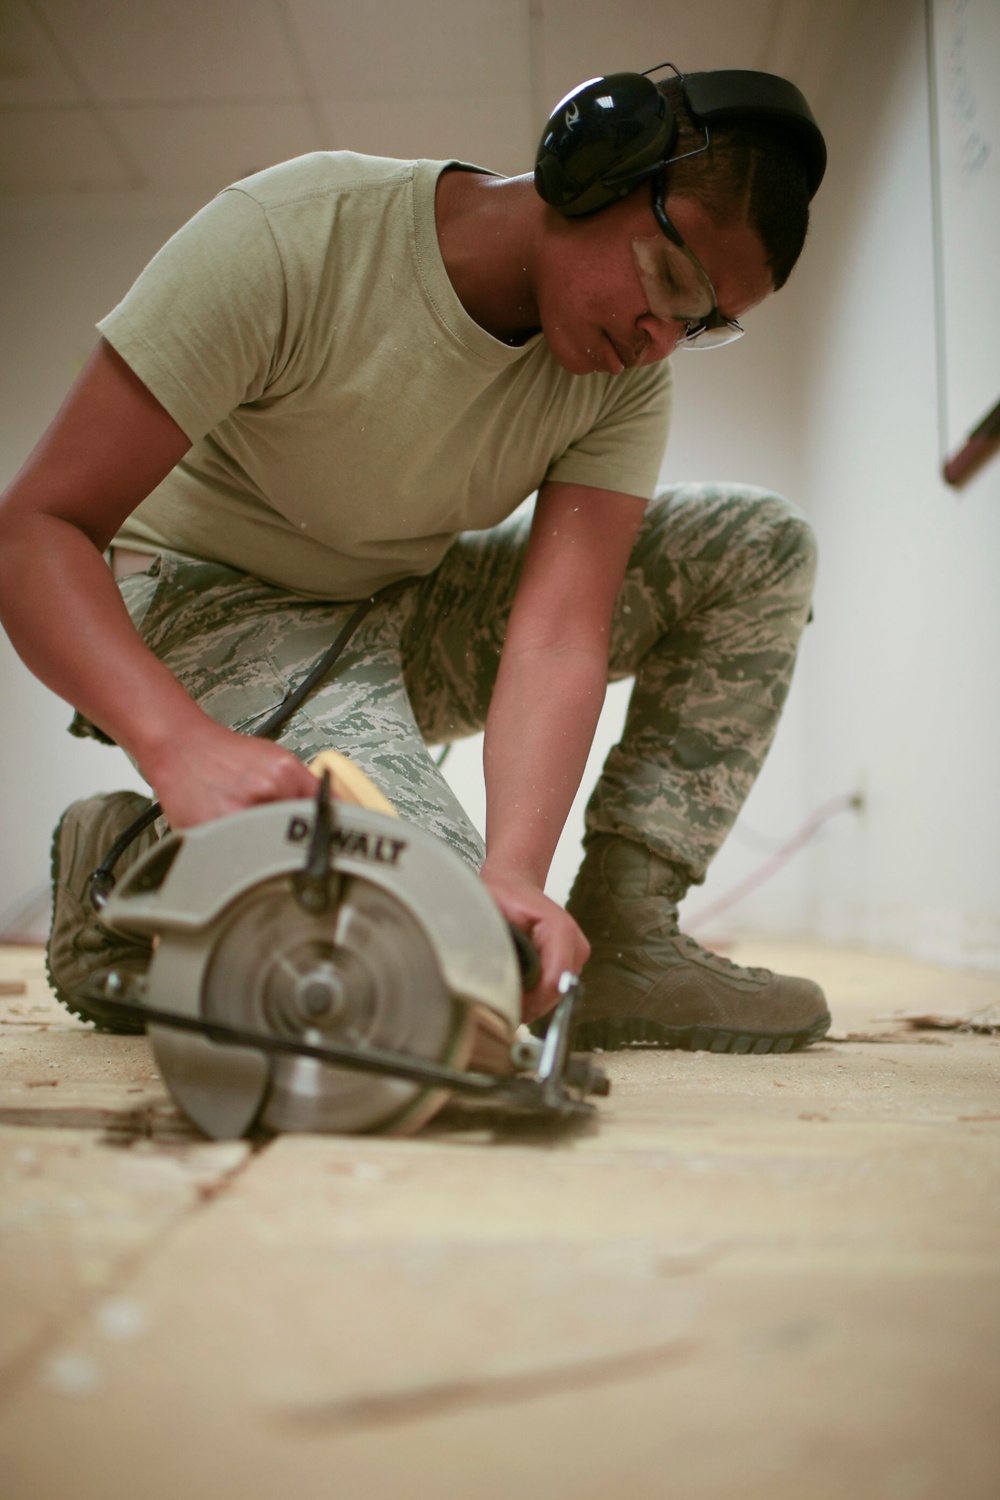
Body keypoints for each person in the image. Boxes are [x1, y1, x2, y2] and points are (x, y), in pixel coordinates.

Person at [0, 65, 831, 1054]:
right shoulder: (298, 235)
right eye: (667, 282)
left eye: (700, 326)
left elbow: (560, 633)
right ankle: (131, 875)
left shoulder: (622, 382)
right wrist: (177, 744)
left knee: (756, 543)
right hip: (205, 597)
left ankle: (625, 942)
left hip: (397, 603)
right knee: (432, 959)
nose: (658, 342)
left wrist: (515, 875)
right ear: (588, 167)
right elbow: (37, 529)